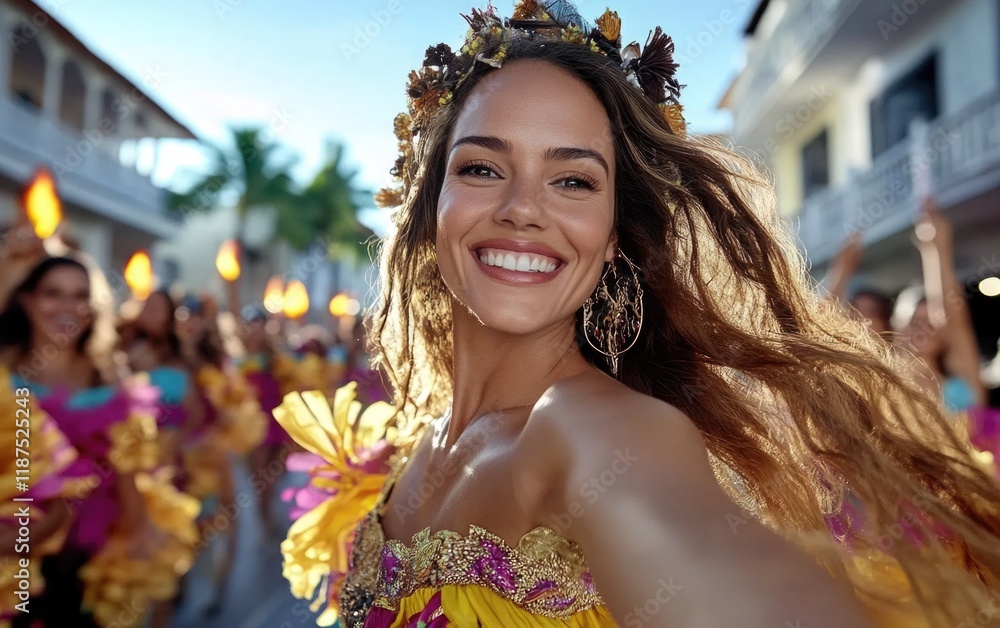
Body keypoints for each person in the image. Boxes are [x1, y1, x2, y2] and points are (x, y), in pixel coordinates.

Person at [278, 3, 1000, 627]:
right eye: (482, 168)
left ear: (615, 237)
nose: (523, 209)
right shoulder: (407, 451)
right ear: (432, 206)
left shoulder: (591, 430)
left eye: (572, 180)